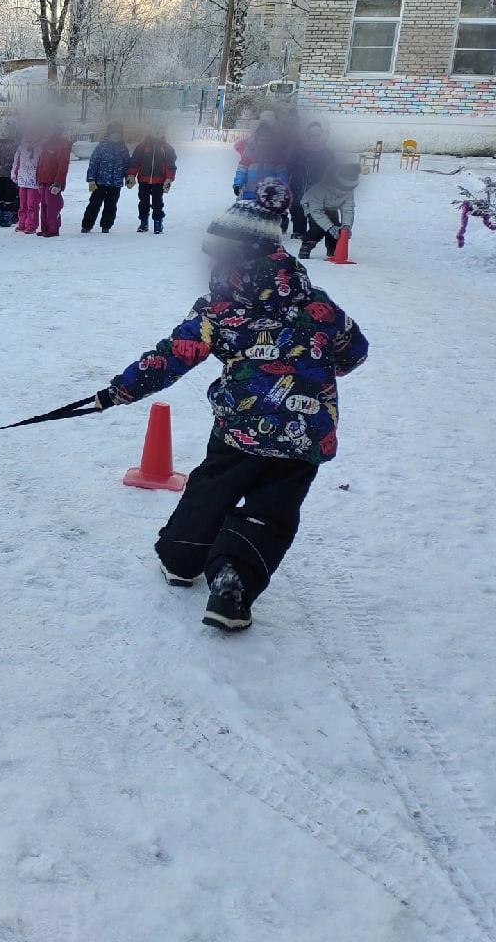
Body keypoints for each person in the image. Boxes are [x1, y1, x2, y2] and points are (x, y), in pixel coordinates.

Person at [90, 180, 370, 631]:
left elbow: (170, 358)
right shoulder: (316, 305)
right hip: (306, 432)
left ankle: (182, 558)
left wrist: (116, 392)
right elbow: (355, 351)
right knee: (272, 510)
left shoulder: (218, 309)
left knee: (212, 488)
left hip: (241, 427)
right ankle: (233, 583)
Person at [299, 160, 359, 259]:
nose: (344, 192)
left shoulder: (348, 191)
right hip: (311, 206)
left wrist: (346, 226)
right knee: (318, 227)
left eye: (348, 189)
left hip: (331, 208)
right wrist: (330, 228)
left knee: (337, 228)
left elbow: (348, 209)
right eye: (342, 188)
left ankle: (333, 249)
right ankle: (307, 244)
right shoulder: (320, 189)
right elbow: (316, 211)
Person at [82, 121, 130, 234]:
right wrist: (91, 179)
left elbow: (127, 164)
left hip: (116, 184)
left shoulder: (123, 148)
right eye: (114, 133)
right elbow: (93, 163)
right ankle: (87, 225)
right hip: (100, 183)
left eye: (119, 134)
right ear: (109, 134)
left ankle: (106, 225)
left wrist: (128, 177)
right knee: (94, 204)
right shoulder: (101, 147)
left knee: (111, 206)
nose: (116, 136)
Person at [289, 121, 333, 238]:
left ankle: (314, 234)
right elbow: (290, 167)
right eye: (311, 135)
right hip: (299, 186)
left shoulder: (327, 153)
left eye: (317, 135)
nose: (314, 138)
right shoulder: (298, 151)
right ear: (307, 135)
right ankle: (298, 231)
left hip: (317, 188)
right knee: (298, 209)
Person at [127, 130, 177, 234]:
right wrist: (131, 175)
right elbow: (135, 162)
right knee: (143, 202)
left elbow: (170, 165)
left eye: (159, 132)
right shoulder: (142, 146)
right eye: (155, 131)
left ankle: (158, 223)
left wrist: (169, 179)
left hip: (159, 181)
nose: (157, 134)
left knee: (157, 203)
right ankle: (143, 222)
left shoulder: (167, 148)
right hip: (143, 180)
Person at [233, 120, 290, 202]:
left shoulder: (276, 154)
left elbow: (281, 172)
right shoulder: (249, 153)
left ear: (270, 140)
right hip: (250, 192)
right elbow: (241, 171)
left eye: (267, 140)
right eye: (261, 140)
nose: (264, 142)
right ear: (257, 139)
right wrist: (238, 184)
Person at [35, 128, 72, 237]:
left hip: (53, 182)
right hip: (43, 181)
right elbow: (40, 164)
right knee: (44, 206)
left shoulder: (62, 146)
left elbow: (63, 167)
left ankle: (53, 229)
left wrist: (58, 183)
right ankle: (45, 228)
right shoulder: (44, 145)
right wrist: (38, 179)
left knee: (52, 206)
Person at [11, 126, 43, 234]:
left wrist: (41, 179)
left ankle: (31, 225)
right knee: (22, 204)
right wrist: (14, 174)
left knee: (32, 205)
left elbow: (42, 165)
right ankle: (22, 223)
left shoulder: (40, 148)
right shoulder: (21, 147)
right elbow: (16, 162)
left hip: (34, 183)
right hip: (22, 181)